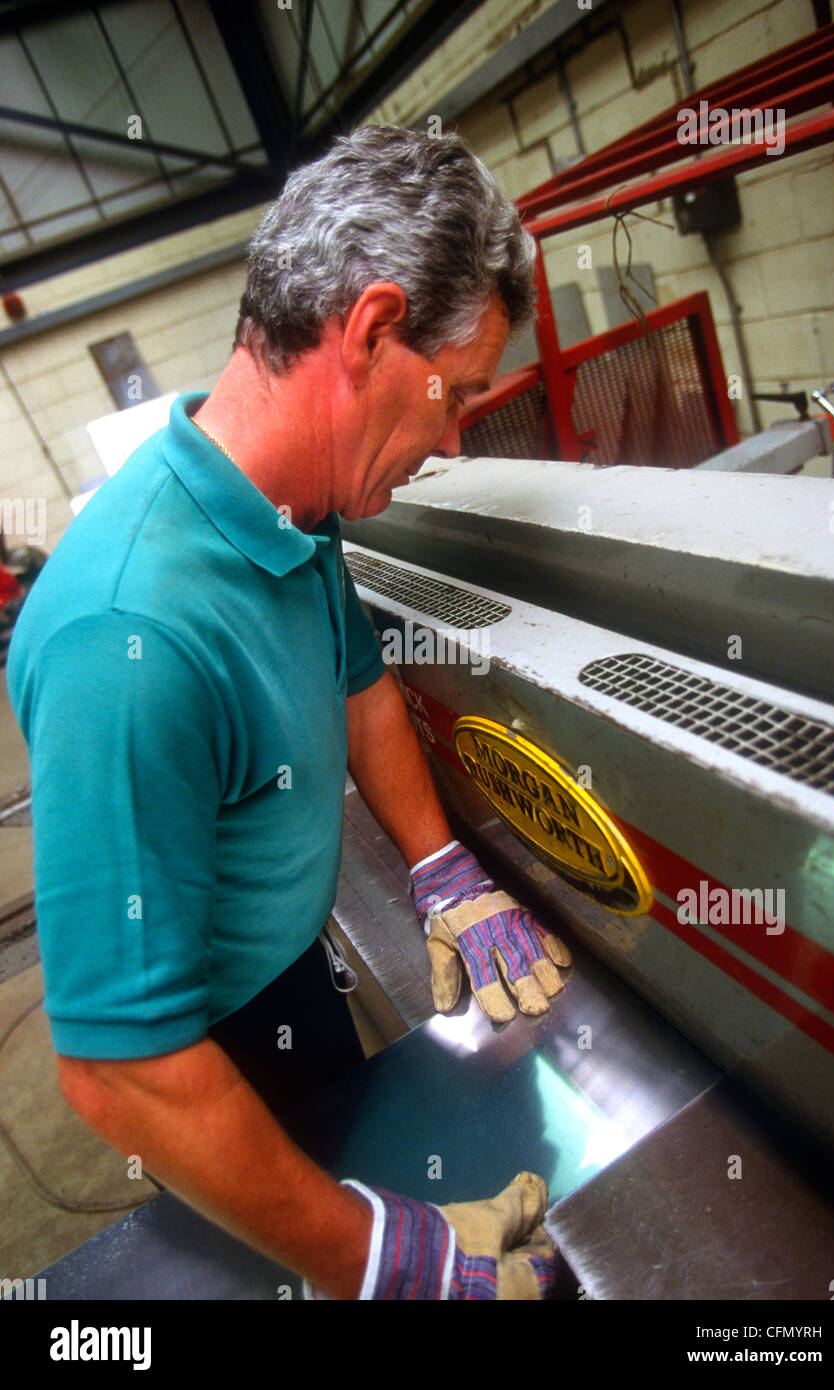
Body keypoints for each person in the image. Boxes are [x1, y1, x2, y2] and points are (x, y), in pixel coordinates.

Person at [8, 126, 572, 1300]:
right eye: (453, 395)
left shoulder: (293, 509)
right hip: (205, 1054)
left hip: (288, 976)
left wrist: (440, 871)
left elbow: (356, 681)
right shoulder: (127, 639)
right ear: (367, 332)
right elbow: (124, 1068)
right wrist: (380, 1262)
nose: (452, 439)